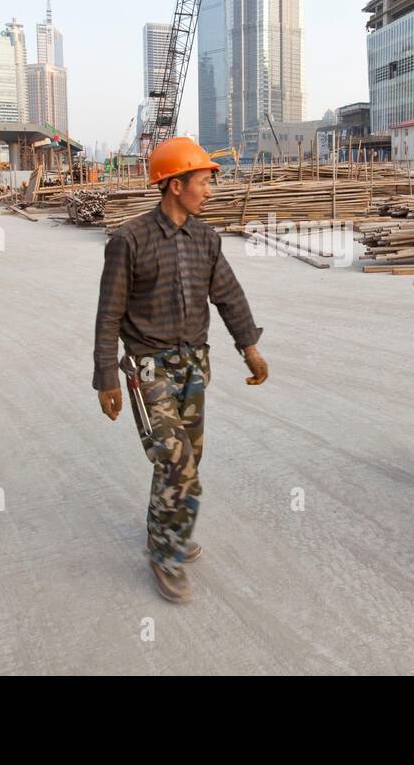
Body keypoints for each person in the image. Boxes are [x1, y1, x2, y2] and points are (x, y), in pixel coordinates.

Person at [93, 137, 269, 604]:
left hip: (194, 367)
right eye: (203, 182)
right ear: (175, 186)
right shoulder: (128, 241)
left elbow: (229, 296)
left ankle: (163, 528)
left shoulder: (205, 239)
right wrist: (106, 376)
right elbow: (108, 314)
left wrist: (249, 347)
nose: (209, 191)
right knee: (178, 464)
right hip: (148, 370)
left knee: (188, 460)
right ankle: (165, 554)